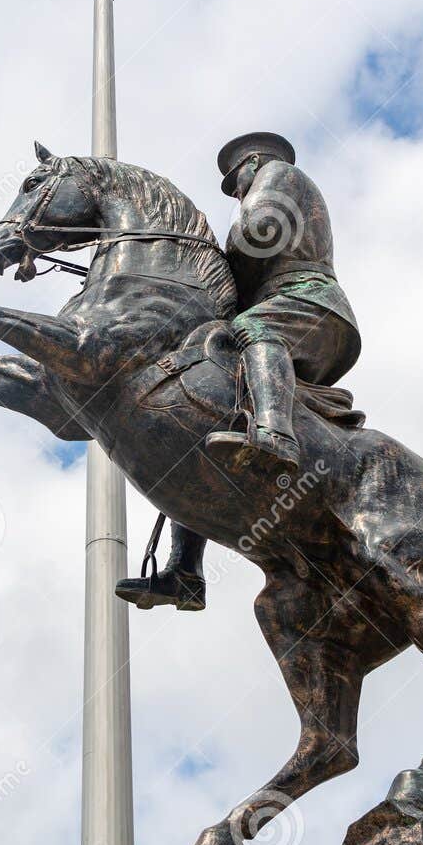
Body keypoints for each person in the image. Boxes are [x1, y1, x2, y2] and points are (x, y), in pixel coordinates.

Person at [115, 131, 360, 612]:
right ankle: (185, 572)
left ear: (252, 162)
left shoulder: (281, 177)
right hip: (283, 306)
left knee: (250, 328)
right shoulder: (263, 182)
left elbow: (260, 232)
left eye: (235, 181)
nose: (236, 190)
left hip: (310, 306)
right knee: (202, 426)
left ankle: (275, 438)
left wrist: (214, 266)